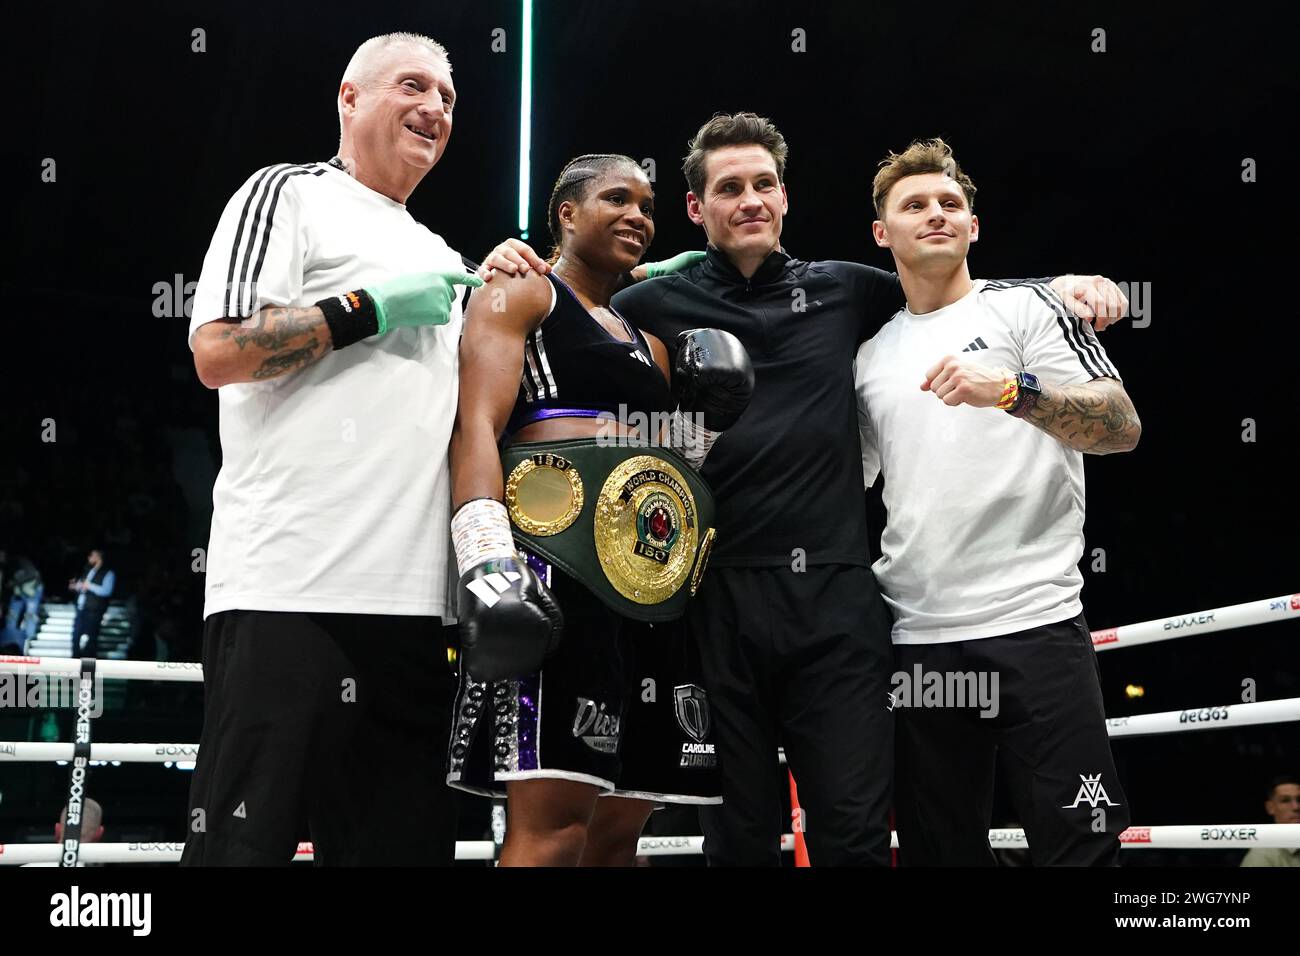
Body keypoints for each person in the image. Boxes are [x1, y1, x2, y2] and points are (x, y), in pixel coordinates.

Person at [480, 112, 1128, 866]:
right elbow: (573, 309)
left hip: (840, 606)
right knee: (739, 835)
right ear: (698, 209)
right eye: (729, 188)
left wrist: (1065, 287)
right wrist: (507, 263)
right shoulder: (652, 306)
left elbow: (948, 287)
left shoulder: (850, 293)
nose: (749, 199)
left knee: (852, 833)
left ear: (785, 197)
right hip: (711, 599)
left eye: (764, 184)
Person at [180, 32, 479, 866]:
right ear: (349, 97)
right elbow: (218, 350)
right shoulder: (287, 194)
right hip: (290, 589)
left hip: (420, 613)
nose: (436, 108)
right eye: (413, 86)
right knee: (241, 851)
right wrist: (368, 309)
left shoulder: (439, 255)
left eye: (449, 99)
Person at [447, 153, 752, 865]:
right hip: (557, 573)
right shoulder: (522, 294)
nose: (637, 217)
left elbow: (671, 472)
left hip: (648, 588)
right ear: (566, 214)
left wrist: (710, 421)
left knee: (617, 835)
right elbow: (476, 427)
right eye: (617, 199)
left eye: (647, 206)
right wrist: (487, 559)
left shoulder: (650, 345)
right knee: (552, 831)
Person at [855, 138, 1139, 865]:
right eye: (914, 205)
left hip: (1037, 621)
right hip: (919, 638)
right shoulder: (870, 357)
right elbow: (843, 480)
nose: (937, 214)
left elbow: (1120, 426)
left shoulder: (1031, 307)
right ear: (883, 233)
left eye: (951, 204)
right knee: (938, 853)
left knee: (1082, 846)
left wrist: (1012, 391)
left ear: (974, 227)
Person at [1240, 775, 1300, 866]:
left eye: (1299, 800)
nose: (1296, 807)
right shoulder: (1261, 856)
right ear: (1270, 807)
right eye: (1285, 800)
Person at [68, 549, 114, 658]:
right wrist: (76, 586)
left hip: (95, 610)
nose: (89, 558)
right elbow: (83, 586)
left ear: (98, 557)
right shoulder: (88, 570)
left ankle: (87, 666)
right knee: (76, 636)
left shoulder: (108, 573)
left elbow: (106, 591)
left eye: (91, 555)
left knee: (91, 638)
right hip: (81, 608)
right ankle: (75, 661)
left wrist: (89, 586)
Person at [1, 550, 44, 652]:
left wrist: (15, 582)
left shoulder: (19, 560)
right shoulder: (6, 566)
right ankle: (10, 638)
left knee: (30, 614)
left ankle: (29, 639)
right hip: (19, 591)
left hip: (33, 589)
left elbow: (32, 574)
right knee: (12, 614)